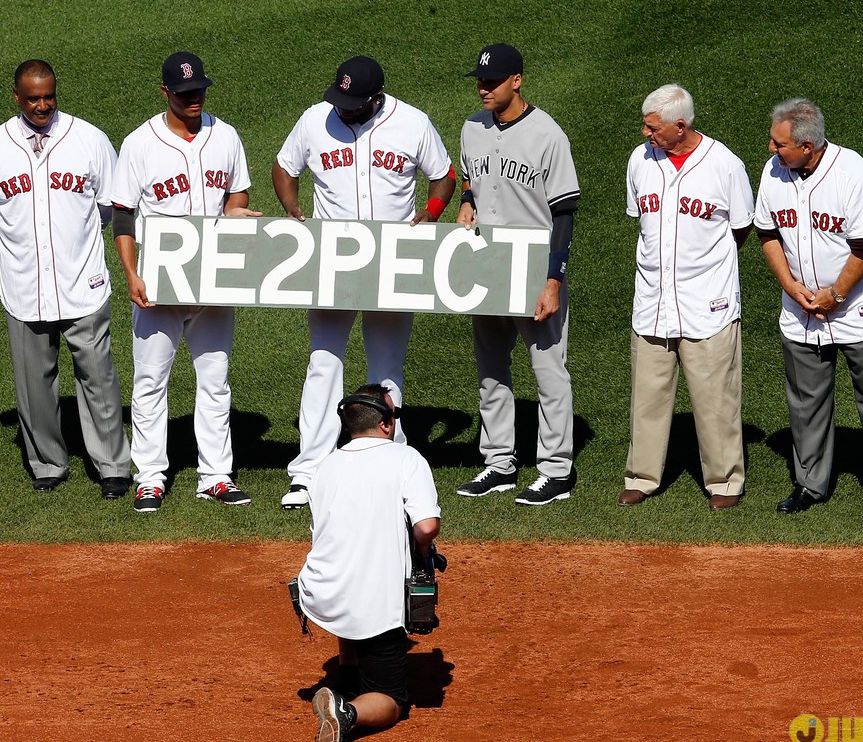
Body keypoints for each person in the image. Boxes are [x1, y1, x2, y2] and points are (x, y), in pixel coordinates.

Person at [272, 55, 455, 509]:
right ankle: (310, 470)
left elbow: (444, 176)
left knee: (387, 368)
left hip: (393, 262)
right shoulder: (316, 119)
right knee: (323, 362)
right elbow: (283, 166)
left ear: (377, 97)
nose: (344, 109)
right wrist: (293, 209)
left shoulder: (412, 122)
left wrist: (430, 214)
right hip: (333, 260)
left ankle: (389, 464)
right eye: (341, 99)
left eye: (354, 103)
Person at [0, 60, 132, 498]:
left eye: (49, 96)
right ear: (17, 97)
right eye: (32, 99)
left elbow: (108, 208)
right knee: (33, 383)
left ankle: (113, 464)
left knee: (98, 377)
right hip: (24, 286)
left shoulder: (89, 139)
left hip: (83, 282)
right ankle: (47, 463)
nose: (42, 105)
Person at [110, 52, 260, 513]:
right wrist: (131, 274)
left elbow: (238, 191)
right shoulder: (139, 144)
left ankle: (215, 476)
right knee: (151, 381)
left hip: (214, 283)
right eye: (184, 94)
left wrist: (236, 209)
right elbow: (122, 214)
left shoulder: (226, 135)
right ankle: (150, 477)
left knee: (215, 380)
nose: (194, 99)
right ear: (165, 93)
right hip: (159, 285)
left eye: (199, 91)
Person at [754, 98, 863, 516]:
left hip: (858, 308)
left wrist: (835, 294)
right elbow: (766, 232)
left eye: (779, 143)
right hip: (801, 310)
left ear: (807, 146)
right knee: (806, 403)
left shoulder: (854, 174)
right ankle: (809, 485)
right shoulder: (774, 173)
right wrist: (790, 285)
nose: (771, 149)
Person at [456, 43, 579, 505]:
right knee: (490, 369)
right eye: (480, 82)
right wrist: (466, 203)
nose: (484, 89)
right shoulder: (472, 126)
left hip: (533, 268)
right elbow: (470, 179)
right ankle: (498, 463)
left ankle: (556, 470)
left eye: (492, 82)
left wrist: (553, 281)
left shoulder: (548, 135)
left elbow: (564, 212)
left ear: (517, 81)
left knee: (548, 369)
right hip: (486, 265)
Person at [620, 84, 753, 510]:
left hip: (707, 303)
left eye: (653, 126)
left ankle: (724, 482)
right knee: (648, 397)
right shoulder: (639, 161)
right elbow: (640, 221)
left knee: (716, 400)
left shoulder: (725, 165)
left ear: (681, 125)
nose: (645, 133)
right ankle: (641, 476)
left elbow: (741, 229)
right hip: (653, 301)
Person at [296, 383, 441, 742]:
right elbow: (426, 526)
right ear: (386, 425)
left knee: (354, 574)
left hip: (322, 590)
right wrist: (422, 554)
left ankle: (346, 677)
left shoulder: (324, 466)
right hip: (372, 601)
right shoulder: (406, 459)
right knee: (393, 701)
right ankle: (349, 711)